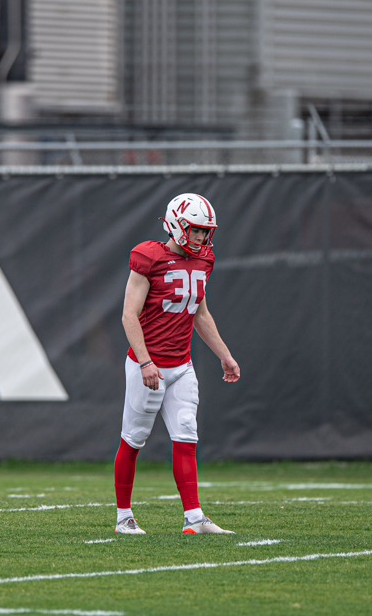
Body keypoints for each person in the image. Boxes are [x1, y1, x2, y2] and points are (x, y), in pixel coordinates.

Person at [113, 192, 240, 535]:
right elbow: (129, 315)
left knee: (186, 435)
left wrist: (224, 355)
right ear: (176, 224)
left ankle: (194, 517)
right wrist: (145, 362)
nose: (201, 237)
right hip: (149, 365)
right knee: (134, 438)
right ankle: (123, 517)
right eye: (195, 230)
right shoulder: (148, 256)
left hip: (181, 365)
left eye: (205, 231)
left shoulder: (205, 260)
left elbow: (200, 313)